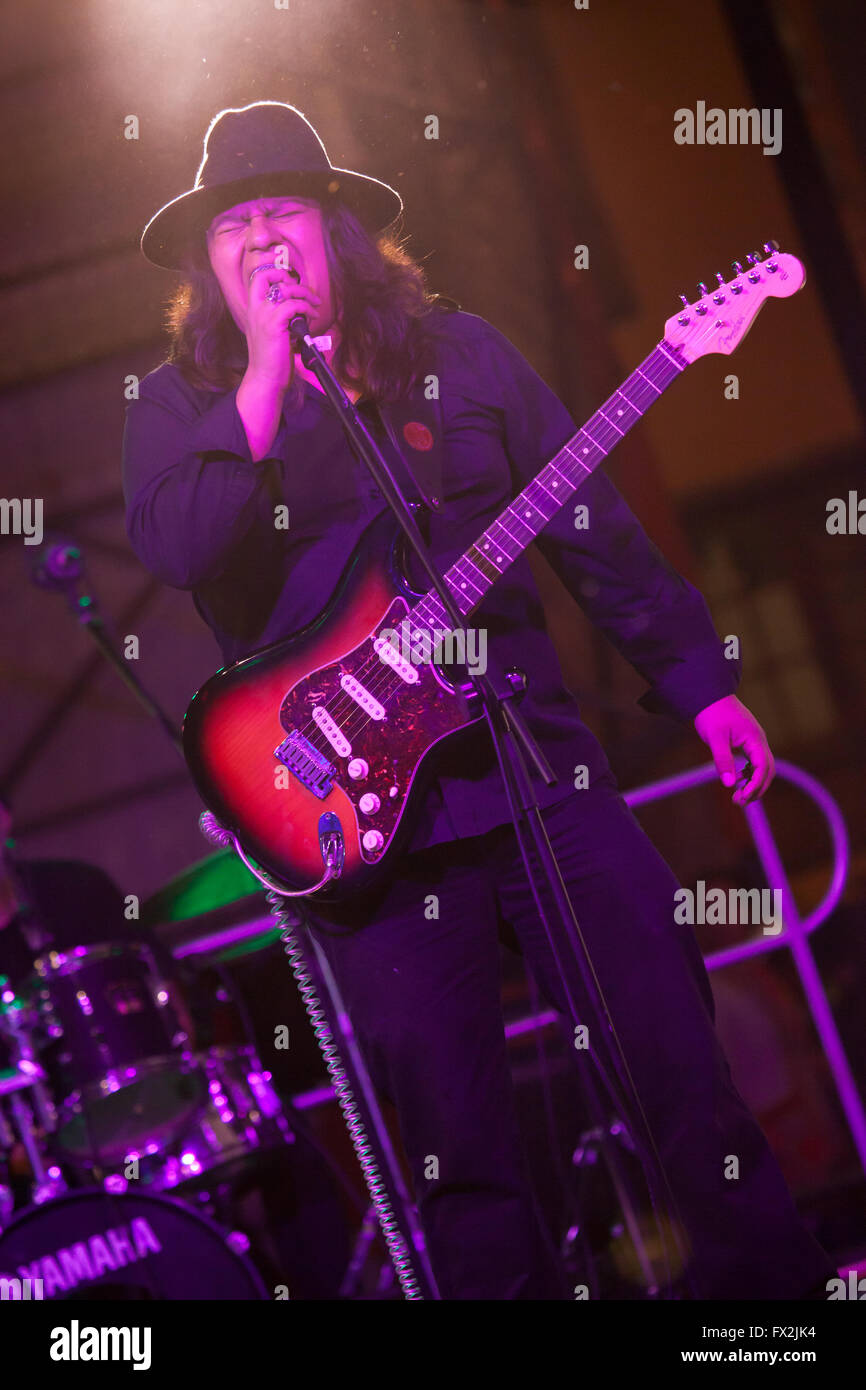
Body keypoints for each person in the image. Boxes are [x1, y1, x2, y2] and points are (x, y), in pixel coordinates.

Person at [122, 100, 836, 1300]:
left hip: (530, 768)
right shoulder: (175, 407)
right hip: (359, 832)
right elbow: (185, 548)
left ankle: (767, 1314)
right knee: (462, 1160)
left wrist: (702, 688)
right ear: (208, 260)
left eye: (283, 208)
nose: (262, 238)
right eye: (234, 222)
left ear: (334, 227)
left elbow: (590, 528)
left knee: (674, 1064)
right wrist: (259, 374)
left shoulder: (461, 358)